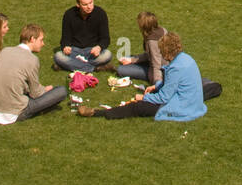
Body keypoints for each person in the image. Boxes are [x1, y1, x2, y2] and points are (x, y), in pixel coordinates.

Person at [77, 32, 220, 120]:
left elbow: (164, 98)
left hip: (182, 106)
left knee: (138, 108)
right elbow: (172, 85)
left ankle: (98, 113)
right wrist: (156, 86)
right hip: (190, 100)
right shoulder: (186, 58)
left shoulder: (175, 68)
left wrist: (143, 97)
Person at [0, 23, 67, 123]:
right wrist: (45, 89)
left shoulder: (5, 50)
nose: (43, 44)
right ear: (32, 39)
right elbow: (35, 93)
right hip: (15, 112)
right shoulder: (32, 59)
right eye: (41, 40)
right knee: (61, 91)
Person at [53, 0, 112, 73]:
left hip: (92, 51)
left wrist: (99, 47)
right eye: (85, 4)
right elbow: (65, 38)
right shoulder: (69, 15)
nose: (89, 7)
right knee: (58, 56)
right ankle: (93, 68)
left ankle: (71, 66)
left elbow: (105, 39)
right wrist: (66, 46)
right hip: (75, 51)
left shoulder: (100, 14)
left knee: (107, 55)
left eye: (91, 3)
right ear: (78, 4)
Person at [115, 11, 168, 83]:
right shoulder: (163, 30)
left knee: (121, 70)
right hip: (162, 64)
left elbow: (156, 64)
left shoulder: (152, 42)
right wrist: (132, 60)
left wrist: (157, 83)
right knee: (128, 57)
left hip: (159, 70)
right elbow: (150, 55)